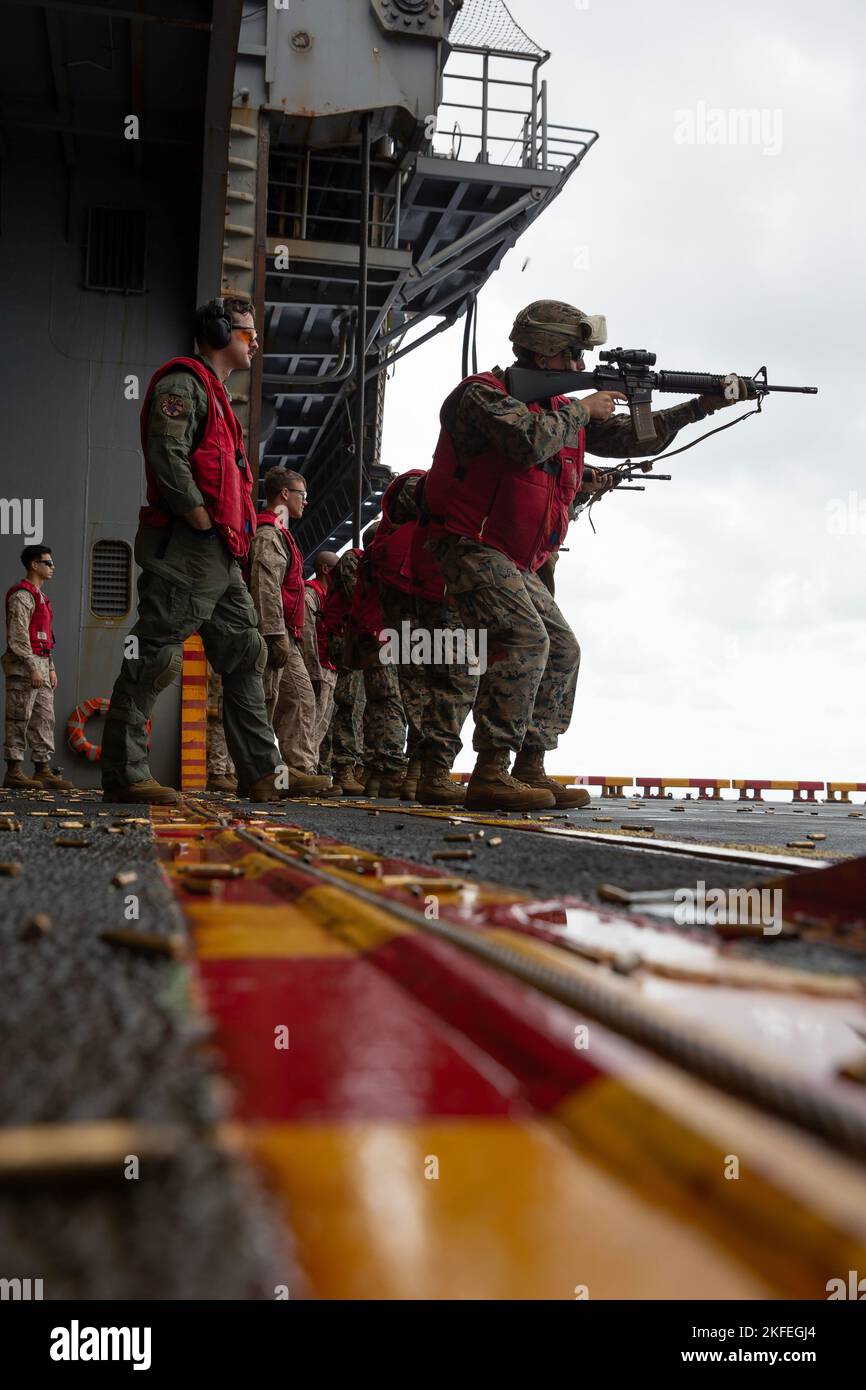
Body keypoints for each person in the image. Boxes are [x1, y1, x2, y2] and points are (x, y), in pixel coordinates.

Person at [422, 299, 754, 812]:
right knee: (524, 638)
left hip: (513, 556)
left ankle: (530, 765)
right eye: (576, 355)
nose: (581, 367)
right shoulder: (483, 396)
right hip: (470, 544)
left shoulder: (560, 408)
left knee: (562, 647)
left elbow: (629, 439)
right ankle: (491, 771)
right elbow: (524, 443)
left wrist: (700, 405)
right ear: (550, 351)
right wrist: (585, 404)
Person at [101, 294, 288, 804]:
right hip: (189, 545)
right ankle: (125, 774)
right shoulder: (183, 383)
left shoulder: (218, 397)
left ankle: (263, 773)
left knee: (246, 652)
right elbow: (167, 453)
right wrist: (199, 515)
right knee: (154, 654)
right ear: (221, 331)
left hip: (219, 554)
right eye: (249, 333)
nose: (255, 344)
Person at [366, 470, 479, 805]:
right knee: (444, 680)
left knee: (423, 686)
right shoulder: (416, 484)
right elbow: (435, 500)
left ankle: (418, 772)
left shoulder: (417, 489)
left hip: (414, 593)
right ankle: (427, 771)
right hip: (418, 594)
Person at [248, 468, 332, 794]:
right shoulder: (270, 534)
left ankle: (292, 772)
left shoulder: (280, 533)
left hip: (284, 633)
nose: (306, 502)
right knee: (274, 700)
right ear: (284, 494)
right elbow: (265, 585)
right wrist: (274, 633)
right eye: (302, 495)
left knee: (292, 700)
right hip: (277, 634)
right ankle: (283, 772)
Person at [2, 545, 73, 790]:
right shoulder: (22, 595)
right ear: (34, 565)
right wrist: (33, 667)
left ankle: (42, 769)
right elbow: (18, 636)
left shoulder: (40, 596)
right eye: (48, 563)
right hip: (24, 665)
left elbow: (44, 638)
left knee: (44, 718)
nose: (53, 567)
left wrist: (50, 668)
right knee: (19, 716)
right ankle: (14, 771)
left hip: (41, 664)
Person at [302, 550, 339, 775]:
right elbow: (308, 635)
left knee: (322, 726)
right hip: (319, 669)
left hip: (330, 669)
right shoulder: (310, 594)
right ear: (325, 569)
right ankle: (305, 772)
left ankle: (311, 770)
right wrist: (313, 671)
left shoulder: (330, 597)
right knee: (310, 725)